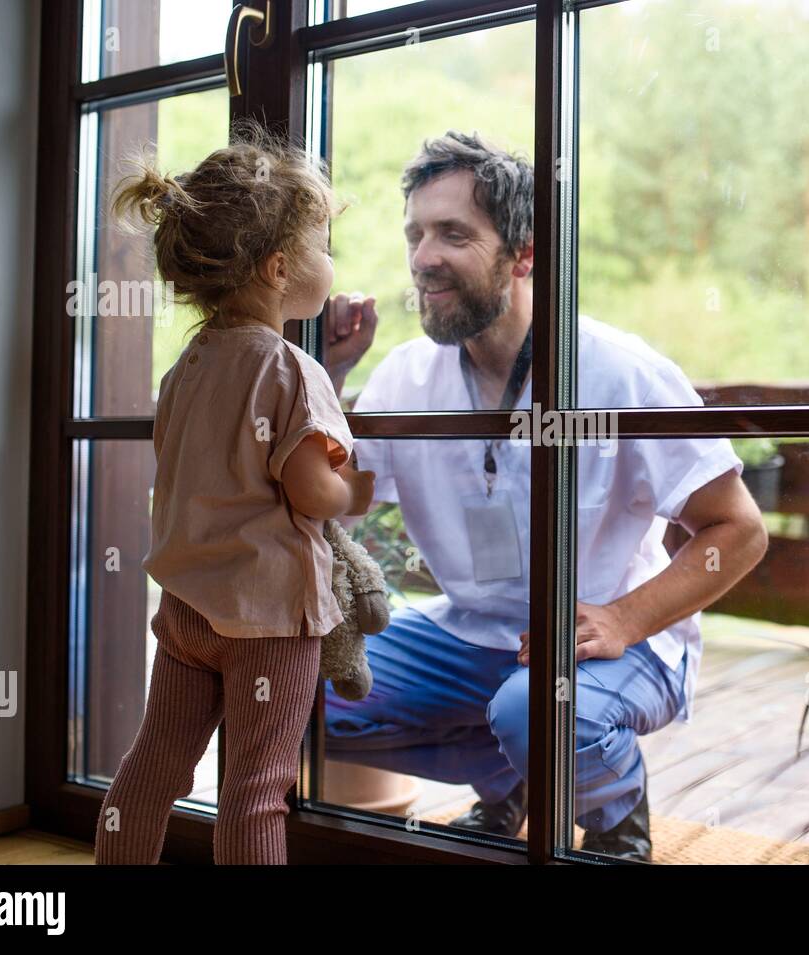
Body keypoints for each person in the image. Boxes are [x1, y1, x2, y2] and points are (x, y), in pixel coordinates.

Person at [319, 131, 769, 861]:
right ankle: (519, 778)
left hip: (613, 638)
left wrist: (625, 618)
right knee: (304, 684)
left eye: (453, 233)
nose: (423, 256)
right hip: (469, 634)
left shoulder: (621, 372)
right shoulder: (404, 377)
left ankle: (617, 815)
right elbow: (340, 500)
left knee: (537, 708)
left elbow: (739, 531)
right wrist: (330, 376)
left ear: (524, 253)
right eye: (416, 234)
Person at [93, 121, 376, 865]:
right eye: (323, 246)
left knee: (153, 765)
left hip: (187, 613)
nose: (331, 261)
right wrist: (352, 490)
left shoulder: (186, 366)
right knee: (255, 790)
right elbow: (310, 490)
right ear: (281, 270)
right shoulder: (288, 368)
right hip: (268, 619)